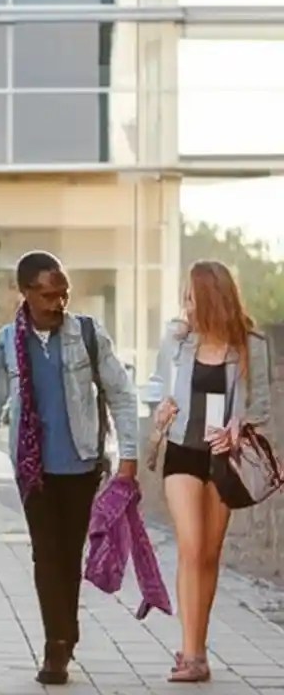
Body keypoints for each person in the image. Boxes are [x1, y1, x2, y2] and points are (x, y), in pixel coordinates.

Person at [0, 250, 139, 685]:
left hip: (82, 465)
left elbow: (121, 394)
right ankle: (56, 646)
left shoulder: (86, 334)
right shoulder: (7, 343)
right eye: (47, 294)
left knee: (68, 554)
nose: (57, 303)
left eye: (63, 293)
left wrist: (129, 457)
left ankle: (65, 632)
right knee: (46, 554)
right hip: (34, 471)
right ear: (25, 292)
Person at [145, 260, 270, 682]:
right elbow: (158, 386)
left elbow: (262, 404)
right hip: (182, 449)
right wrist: (159, 409)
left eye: (191, 294)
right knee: (191, 548)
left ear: (211, 295)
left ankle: (199, 650)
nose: (186, 303)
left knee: (211, 554)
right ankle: (188, 651)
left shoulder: (251, 344)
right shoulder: (177, 340)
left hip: (224, 459)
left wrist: (240, 425)